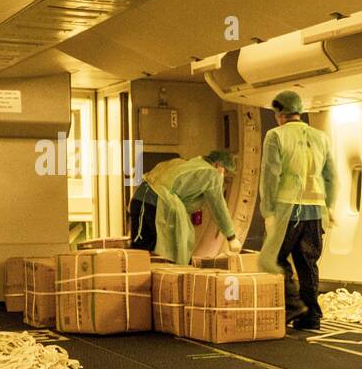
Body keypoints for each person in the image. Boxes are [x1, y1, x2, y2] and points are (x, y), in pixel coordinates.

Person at [257, 90, 337, 332]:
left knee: (272, 258)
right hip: (315, 210)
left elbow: (271, 174)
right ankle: (312, 315)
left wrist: (267, 210)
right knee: (308, 263)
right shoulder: (321, 137)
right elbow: (330, 176)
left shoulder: (275, 136)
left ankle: (293, 306)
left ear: (279, 113)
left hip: (287, 209)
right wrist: (329, 205)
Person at [129, 150, 241, 265]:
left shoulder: (185, 163)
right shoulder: (211, 173)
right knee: (174, 249)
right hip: (156, 205)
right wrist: (231, 237)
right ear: (218, 164)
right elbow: (218, 206)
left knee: (139, 252)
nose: (224, 175)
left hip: (139, 199)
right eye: (225, 171)